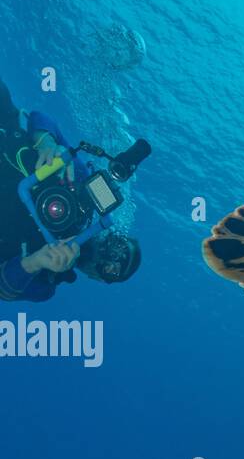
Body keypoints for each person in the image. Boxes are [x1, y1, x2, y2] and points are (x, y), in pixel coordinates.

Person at [0, 79, 141, 302]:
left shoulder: (45, 282)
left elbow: (2, 289)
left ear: (99, 279)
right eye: (114, 248)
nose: (101, 258)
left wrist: (34, 262)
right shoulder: (82, 186)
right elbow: (40, 118)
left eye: (111, 270)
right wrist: (45, 141)